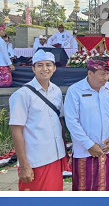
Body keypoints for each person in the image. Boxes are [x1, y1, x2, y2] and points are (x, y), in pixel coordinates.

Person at [9, 50, 68, 191]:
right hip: (35, 160)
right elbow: (16, 131)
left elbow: (59, 121)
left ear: (54, 68)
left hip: (55, 156)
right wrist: (24, 165)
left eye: (48, 65)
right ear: (33, 68)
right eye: (40, 65)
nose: (45, 69)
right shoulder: (22, 95)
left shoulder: (56, 91)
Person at [64, 56, 109, 191]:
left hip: (108, 150)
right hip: (85, 152)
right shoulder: (75, 90)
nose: (106, 78)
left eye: (108, 74)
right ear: (90, 73)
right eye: (102, 74)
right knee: (86, 190)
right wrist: (89, 144)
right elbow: (72, 121)